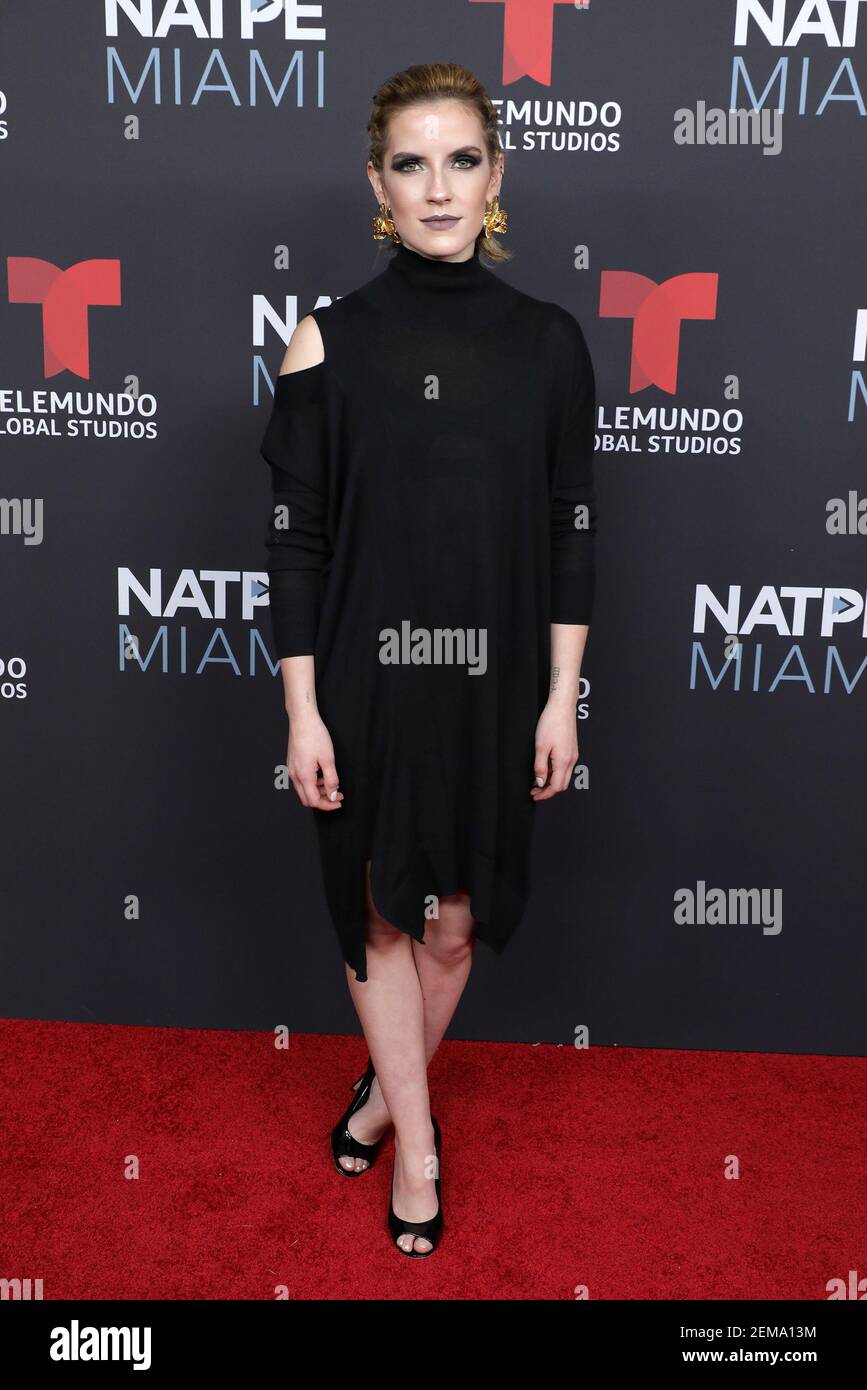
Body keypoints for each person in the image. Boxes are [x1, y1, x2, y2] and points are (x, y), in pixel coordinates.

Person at [260, 62, 597, 1257]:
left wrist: (562, 698)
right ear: (377, 181)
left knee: (453, 924)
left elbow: (569, 533)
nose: (438, 186)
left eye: (463, 161)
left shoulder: (551, 346)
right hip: (361, 674)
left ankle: (378, 1094)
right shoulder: (326, 341)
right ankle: (422, 1141)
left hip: (495, 683)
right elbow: (294, 546)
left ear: (496, 177)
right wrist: (303, 714)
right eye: (413, 162)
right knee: (380, 921)